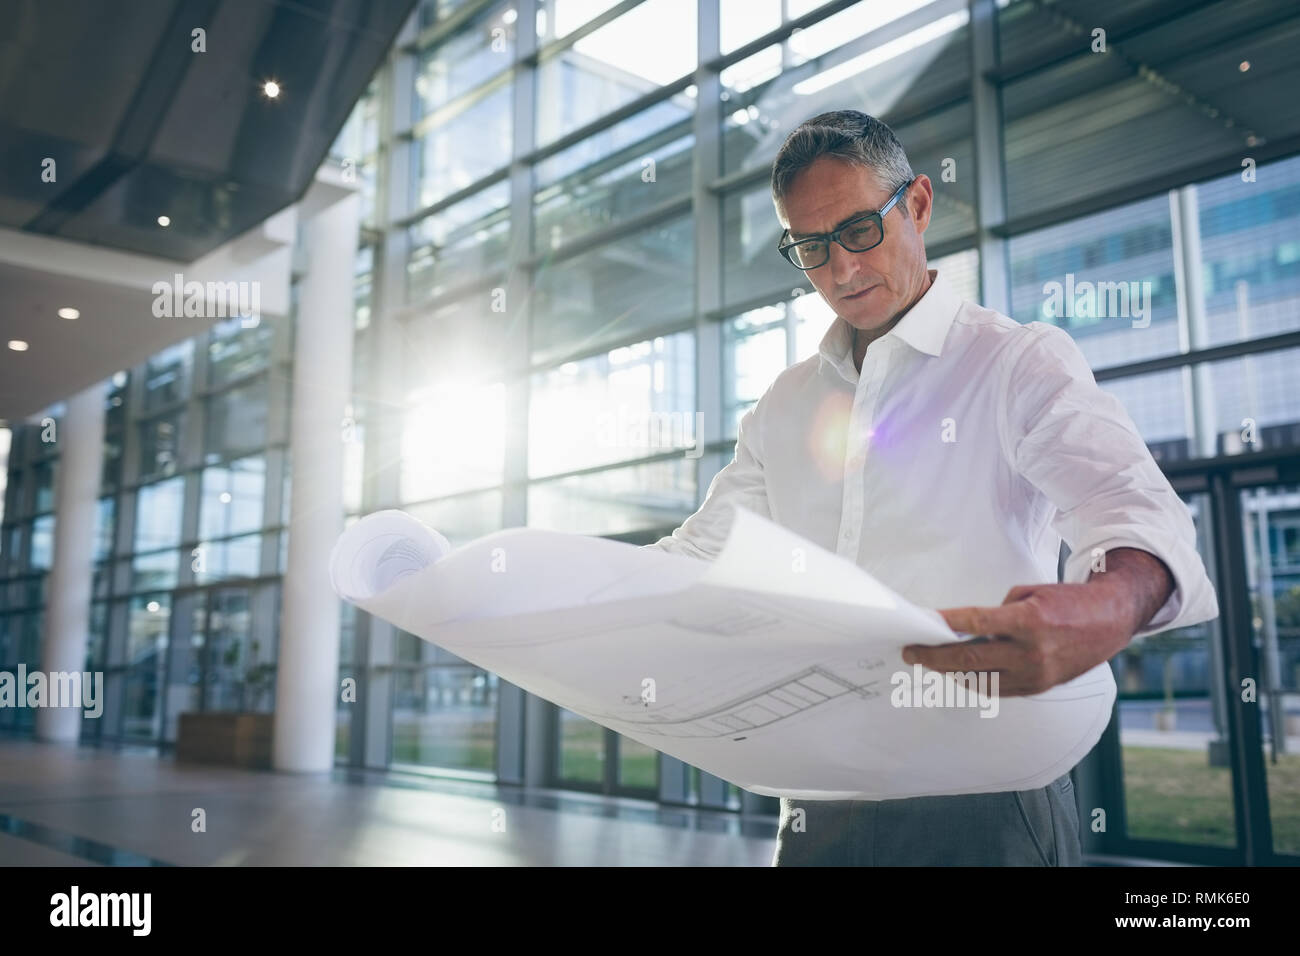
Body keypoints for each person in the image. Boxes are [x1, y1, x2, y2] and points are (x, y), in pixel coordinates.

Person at [642, 109, 1219, 866]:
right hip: (820, 806)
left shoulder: (1016, 363)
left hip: (987, 802)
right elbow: (698, 554)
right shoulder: (784, 407)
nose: (841, 270)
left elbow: (1133, 508)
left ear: (916, 204)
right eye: (811, 248)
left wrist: (1102, 605)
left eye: (857, 231)